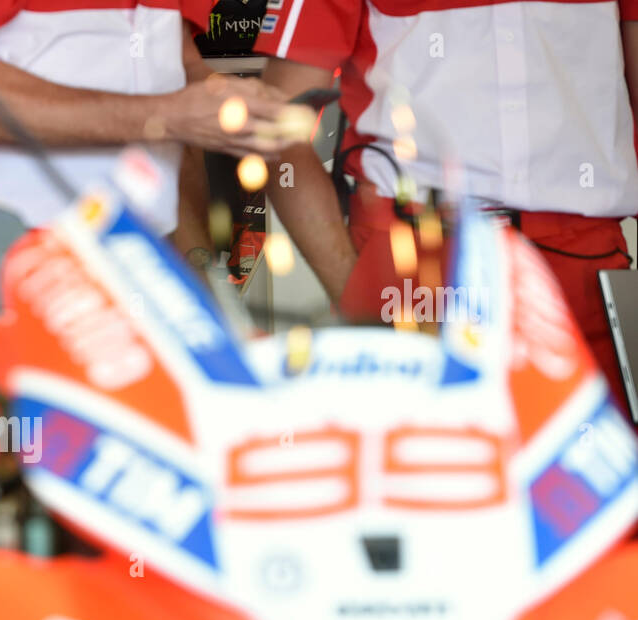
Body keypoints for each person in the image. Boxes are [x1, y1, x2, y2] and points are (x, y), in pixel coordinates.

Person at [257, 1, 638, 401]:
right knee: (419, 458)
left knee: (589, 458)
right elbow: (276, 125)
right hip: (410, 264)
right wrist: (353, 291)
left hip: (583, 266)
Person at [0, 1, 313, 242]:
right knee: (9, 428)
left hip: (133, 246)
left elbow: (175, 57)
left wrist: (235, 102)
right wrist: (168, 117)